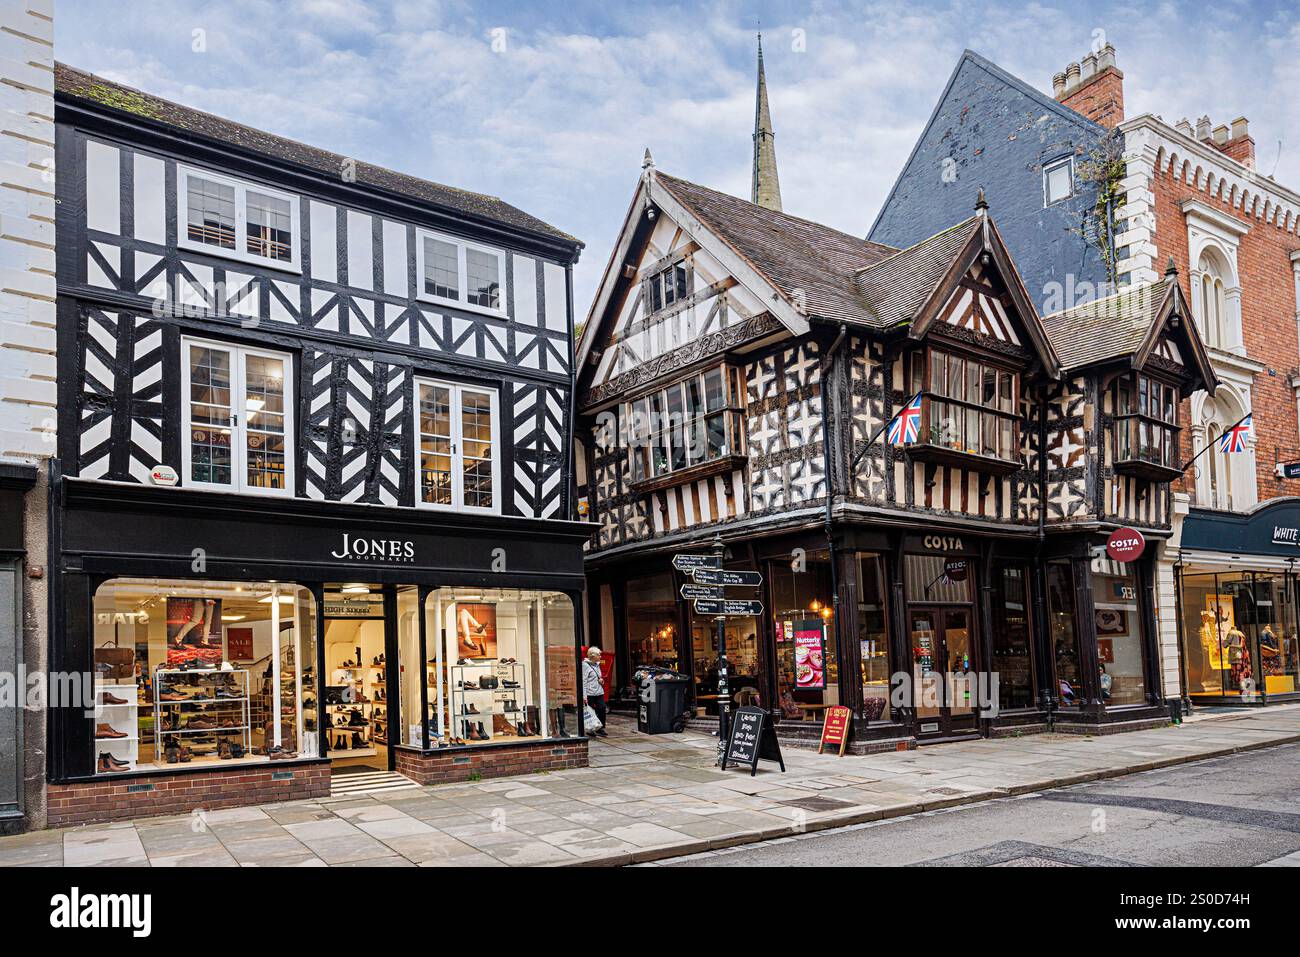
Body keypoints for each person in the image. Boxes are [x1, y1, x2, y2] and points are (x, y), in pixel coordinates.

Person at [583, 646, 608, 737]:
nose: (600, 656)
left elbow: (599, 676)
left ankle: (600, 728)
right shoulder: (585, 665)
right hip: (590, 693)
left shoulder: (597, 664)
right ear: (592, 656)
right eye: (598, 655)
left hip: (599, 692)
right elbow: (583, 681)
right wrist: (584, 696)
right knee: (590, 712)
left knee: (602, 708)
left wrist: (601, 680)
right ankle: (590, 729)